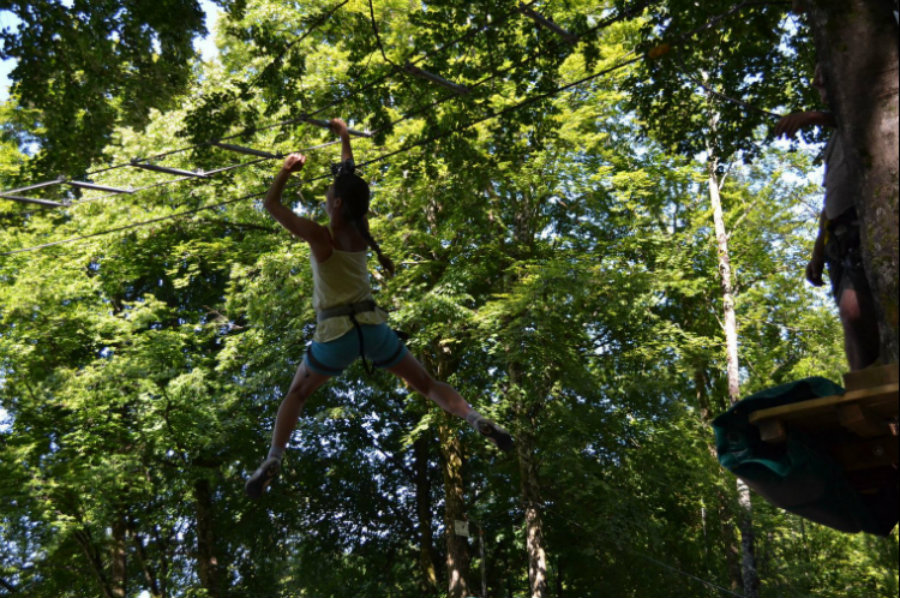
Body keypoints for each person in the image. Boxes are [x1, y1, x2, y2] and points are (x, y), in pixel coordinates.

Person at [245, 118, 514, 499]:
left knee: (297, 394)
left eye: (328, 194)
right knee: (427, 385)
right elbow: (349, 177)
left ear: (337, 203)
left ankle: (274, 456)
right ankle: (473, 416)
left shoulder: (320, 237)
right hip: (373, 329)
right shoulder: (359, 230)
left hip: (335, 335)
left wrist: (285, 171)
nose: (325, 197)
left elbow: (271, 205)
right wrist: (344, 136)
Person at [775, 65, 880, 371]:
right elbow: (829, 200)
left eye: (823, 72)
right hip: (839, 240)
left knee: (854, 311)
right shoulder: (835, 139)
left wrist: (813, 117)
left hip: (863, 228)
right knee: (850, 323)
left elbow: (857, 120)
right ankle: (865, 389)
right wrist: (818, 251)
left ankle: (876, 387)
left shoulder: (873, 113)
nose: (815, 81)